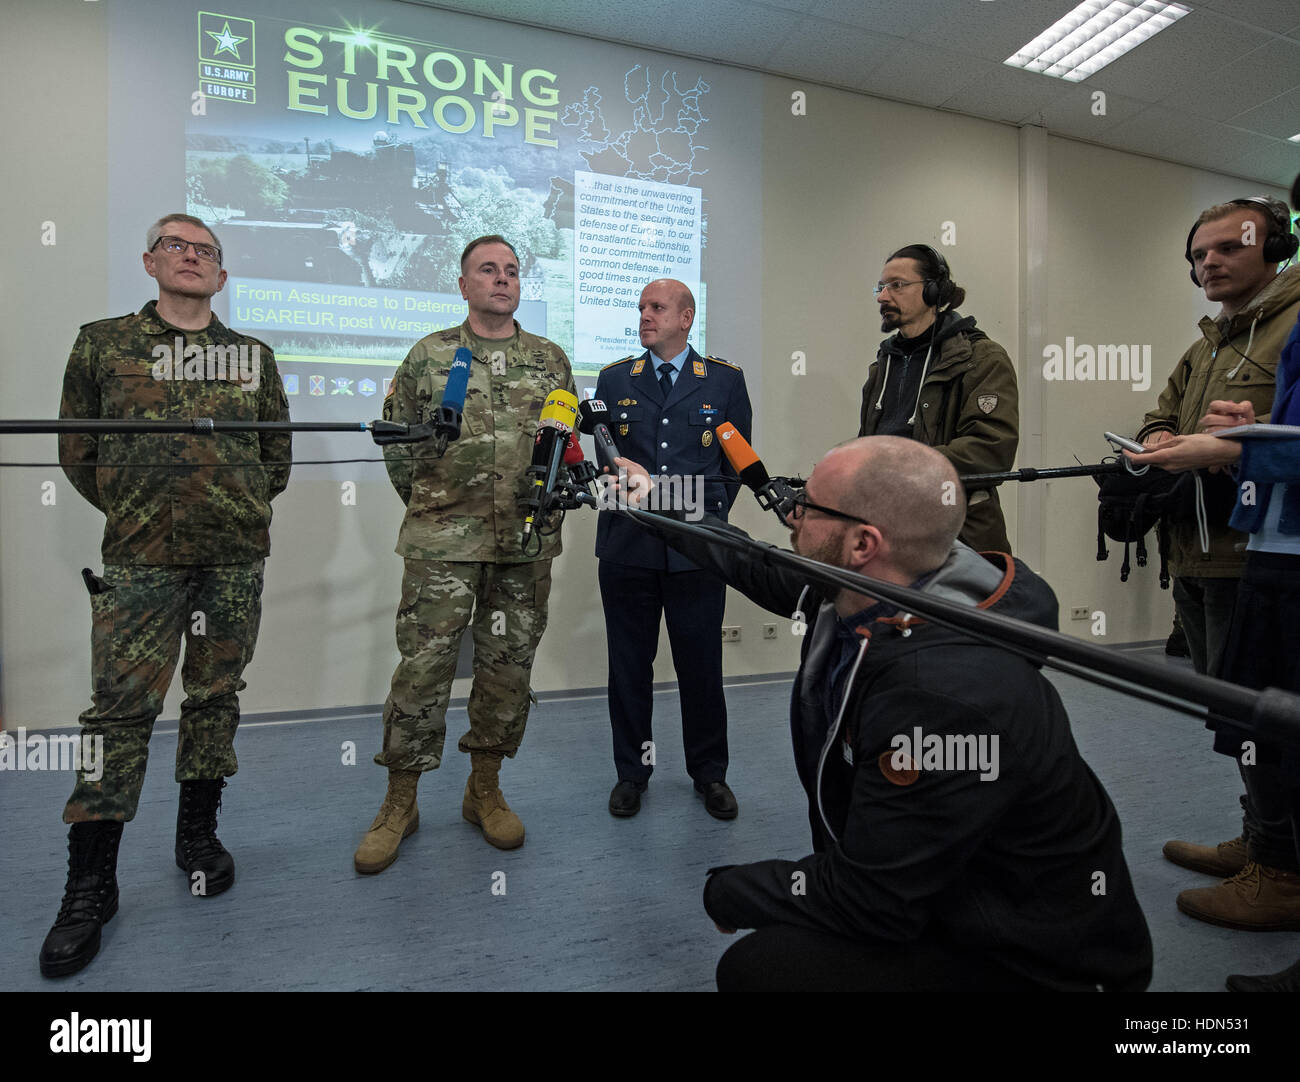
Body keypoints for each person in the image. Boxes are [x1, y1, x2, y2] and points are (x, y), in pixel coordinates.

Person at [611, 436, 1152, 992]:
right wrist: (657, 500)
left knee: (761, 968)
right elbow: (750, 560)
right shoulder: (866, 586)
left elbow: (872, 900)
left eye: (809, 504)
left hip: (1040, 960)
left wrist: (727, 891)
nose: (792, 514)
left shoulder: (941, 696)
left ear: (863, 543)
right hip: (945, 894)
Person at [43, 213, 291, 978]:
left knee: (215, 696)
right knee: (117, 711)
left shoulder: (253, 357)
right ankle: (91, 883)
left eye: (205, 250)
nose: (191, 256)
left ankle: (197, 837)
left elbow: (275, 456)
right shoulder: (103, 344)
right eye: (176, 245)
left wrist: (232, 508)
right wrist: (137, 508)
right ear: (150, 261)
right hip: (141, 559)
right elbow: (78, 451)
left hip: (232, 558)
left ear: (222, 276)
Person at [354, 234, 574, 871]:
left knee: (508, 669)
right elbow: (398, 445)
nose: (502, 279)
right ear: (463, 284)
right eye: (488, 269)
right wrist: (436, 508)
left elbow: (564, 449)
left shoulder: (550, 360)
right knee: (422, 671)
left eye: (511, 270)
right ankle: (400, 801)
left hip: (525, 544)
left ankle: (484, 790)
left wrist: (544, 510)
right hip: (442, 545)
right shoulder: (429, 356)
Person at [1128, 180, 1300, 990]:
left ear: (1274, 247)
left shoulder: (1292, 322)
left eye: (1229, 247)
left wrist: (1232, 446)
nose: (1210, 264)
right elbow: (1162, 413)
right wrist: (1168, 432)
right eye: (1199, 255)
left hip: (1252, 554)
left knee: (1266, 718)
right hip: (1195, 554)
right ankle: (1262, 840)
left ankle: (1280, 867)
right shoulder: (1208, 343)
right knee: (1236, 720)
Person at [593, 279, 752, 819]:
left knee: (701, 667)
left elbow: (734, 469)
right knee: (629, 669)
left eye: (657, 307)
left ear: (686, 318)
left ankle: (710, 774)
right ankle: (631, 774)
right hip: (627, 546)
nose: (645, 315)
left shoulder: (724, 381)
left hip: (696, 550)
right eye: (641, 307)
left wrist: (696, 520)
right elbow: (607, 466)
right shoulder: (615, 379)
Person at [858, 244, 1019, 553]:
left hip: (957, 537)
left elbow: (991, 450)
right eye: (881, 287)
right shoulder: (882, 366)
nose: (882, 297)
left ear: (933, 291)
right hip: (888, 531)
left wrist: (901, 466)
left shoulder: (981, 359)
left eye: (897, 285)